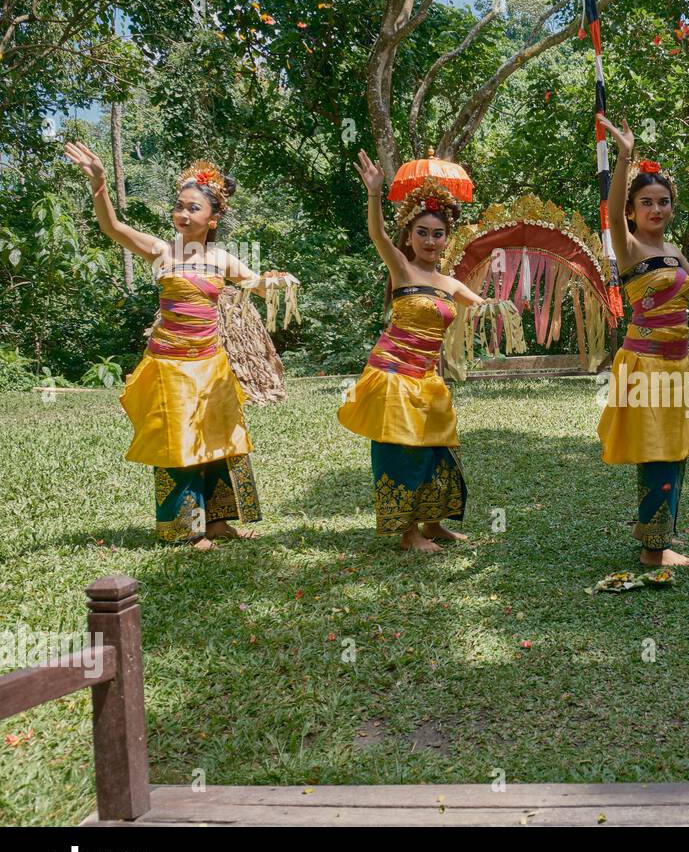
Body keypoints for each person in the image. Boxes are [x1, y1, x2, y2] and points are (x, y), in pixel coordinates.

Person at [65, 143, 297, 547]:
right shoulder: (161, 252)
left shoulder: (223, 259)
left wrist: (277, 281)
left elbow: (257, 285)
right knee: (179, 441)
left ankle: (220, 522)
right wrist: (100, 183)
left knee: (222, 440)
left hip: (211, 366)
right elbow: (112, 228)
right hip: (169, 365)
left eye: (193, 208)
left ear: (213, 218)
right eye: (180, 206)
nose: (183, 214)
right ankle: (185, 529)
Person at [595, 116, 689, 568]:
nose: (656, 210)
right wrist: (623, 157)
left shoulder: (673, 251)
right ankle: (653, 549)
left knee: (674, 450)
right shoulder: (630, 246)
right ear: (633, 210)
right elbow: (611, 208)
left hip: (677, 365)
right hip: (645, 364)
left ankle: (656, 535)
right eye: (646, 203)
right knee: (657, 451)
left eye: (664, 202)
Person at [340, 151, 484, 553]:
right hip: (394, 375)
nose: (431, 241)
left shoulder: (450, 283)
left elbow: (483, 304)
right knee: (402, 452)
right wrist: (373, 194)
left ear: (446, 238)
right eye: (423, 232)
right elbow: (377, 236)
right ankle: (408, 533)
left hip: (427, 379)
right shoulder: (401, 269)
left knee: (437, 449)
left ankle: (433, 523)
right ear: (410, 234)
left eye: (438, 234)